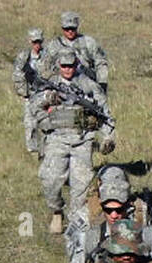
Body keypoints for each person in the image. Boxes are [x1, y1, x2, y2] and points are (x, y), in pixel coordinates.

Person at [30, 47, 114, 234]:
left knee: (81, 187)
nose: (67, 69)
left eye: (71, 65)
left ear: (77, 64)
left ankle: (76, 227)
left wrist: (108, 135)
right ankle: (57, 211)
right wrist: (46, 98)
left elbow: (103, 112)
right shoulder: (50, 83)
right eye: (64, 66)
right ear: (59, 65)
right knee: (50, 180)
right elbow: (33, 106)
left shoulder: (88, 85)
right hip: (56, 139)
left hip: (82, 140)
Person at [66, 165, 152, 263]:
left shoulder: (141, 213)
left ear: (127, 204)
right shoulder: (87, 217)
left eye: (119, 209)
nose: (114, 215)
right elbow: (75, 254)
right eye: (108, 210)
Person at [12, 28, 49, 154]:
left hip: (44, 94)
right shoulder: (24, 57)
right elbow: (17, 74)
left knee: (45, 123)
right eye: (34, 42)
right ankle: (32, 150)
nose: (37, 45)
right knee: (30, 124)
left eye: (39, 42)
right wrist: (24, 91)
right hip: (30, 95)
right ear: (30, 42)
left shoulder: (47, 56)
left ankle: (45, 149)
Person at [57, 10, 109, 93]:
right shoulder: (54, 45)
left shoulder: (89, 42)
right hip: (62, 86)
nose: (70, 31)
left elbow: (101, 63)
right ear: (62, 28)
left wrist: (102, 83)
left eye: (73, 28)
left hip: (86, 85)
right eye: (67, 29)